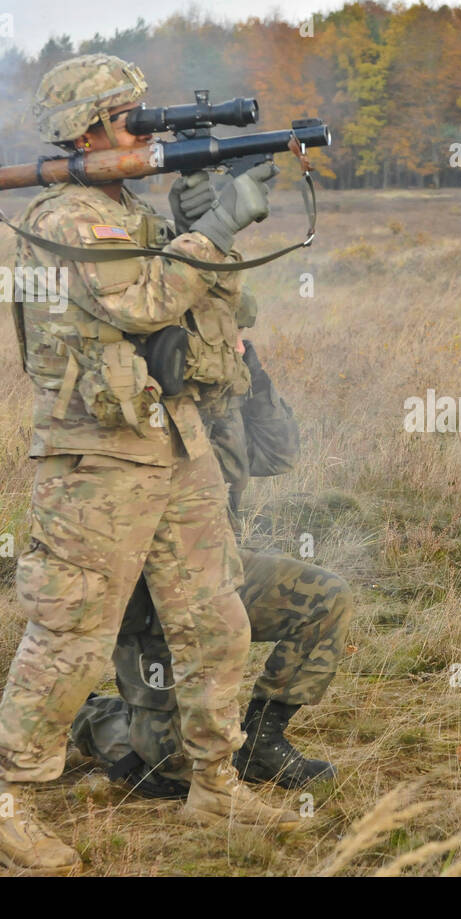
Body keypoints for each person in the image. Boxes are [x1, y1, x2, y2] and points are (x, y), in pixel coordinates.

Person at [0, 53, 300, 874]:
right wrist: (215, 227)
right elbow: (145, 299)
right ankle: (9, 806)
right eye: (129, 116)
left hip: (173, 442)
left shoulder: (130, 210)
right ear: (88, 128)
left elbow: (216, 310)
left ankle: (215, 783)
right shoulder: (68, 218)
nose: (143, 126)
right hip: (99, 459)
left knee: (214, 619)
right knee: (70, 636)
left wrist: (208, 220)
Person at [71, 325, 353, 796]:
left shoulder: (227, 394)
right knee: (172, 770)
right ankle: (92, 717)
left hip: (218, 571)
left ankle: (262, 741)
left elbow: (280, 454)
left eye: (236, 334)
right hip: (149, 591)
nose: (230, 340)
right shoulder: (141, 390)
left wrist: (252, 374)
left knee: (325, 598)